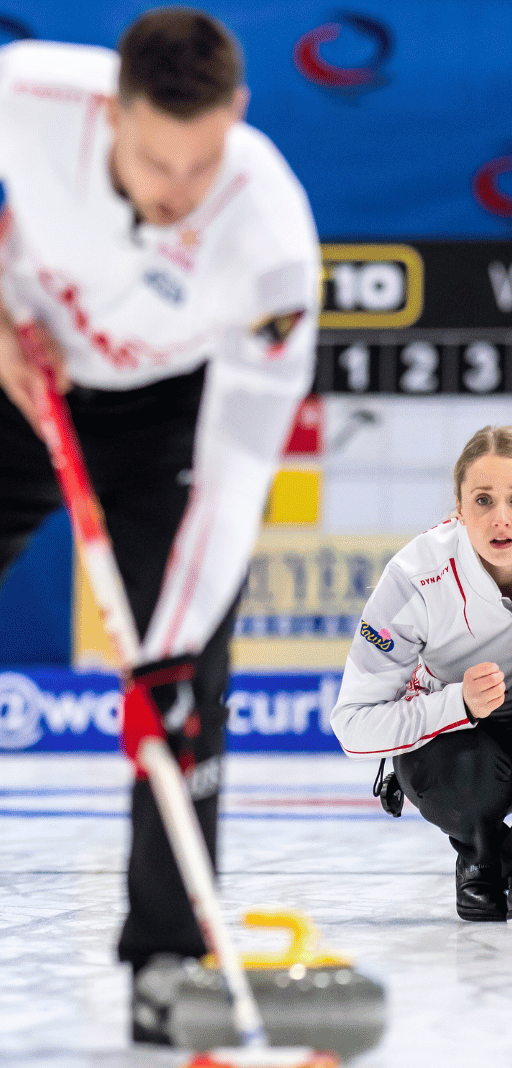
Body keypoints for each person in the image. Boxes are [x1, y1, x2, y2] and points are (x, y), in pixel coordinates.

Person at [0, 9, 318, 1045]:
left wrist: (166, 658)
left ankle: (167, 961)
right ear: (110, 114)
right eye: (152, 161)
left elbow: (236, 472)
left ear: (239, 113)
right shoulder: (34, 91)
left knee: (185, 688)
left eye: (201, 162)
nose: (178, 193)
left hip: (167, 416)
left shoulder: (272, 242)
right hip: (23, 373)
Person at [331, 426, 512, 923]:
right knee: (455, 766)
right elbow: (352, 724)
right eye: (484, 500)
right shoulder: (415, 578)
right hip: (464, 760)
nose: (501, 519)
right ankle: (480, 858)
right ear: (458, 509)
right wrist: (456, 706)